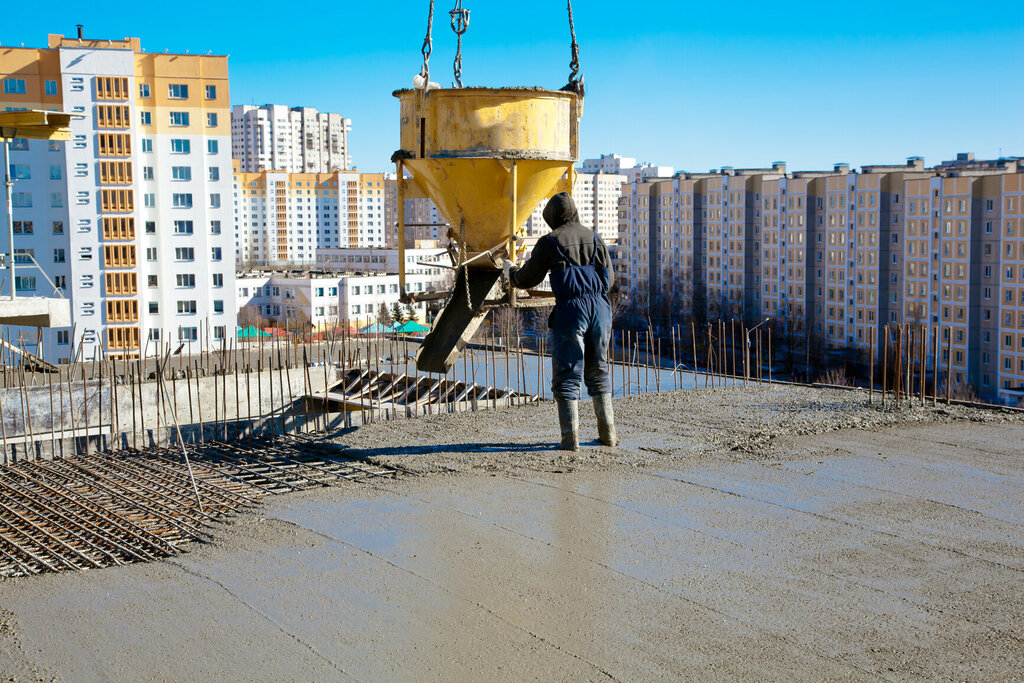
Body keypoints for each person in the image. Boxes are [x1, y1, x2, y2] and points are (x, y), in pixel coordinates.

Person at [501, 192, 617, 450]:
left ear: (552, 218)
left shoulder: (549, 241)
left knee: (567, 373)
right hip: (601, 308)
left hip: (571, 311)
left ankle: (570, 440)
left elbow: (527, 279)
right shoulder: (595, 238)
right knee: (598, 370)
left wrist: (510, 271)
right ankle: (608, 436)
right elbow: (610, 279)